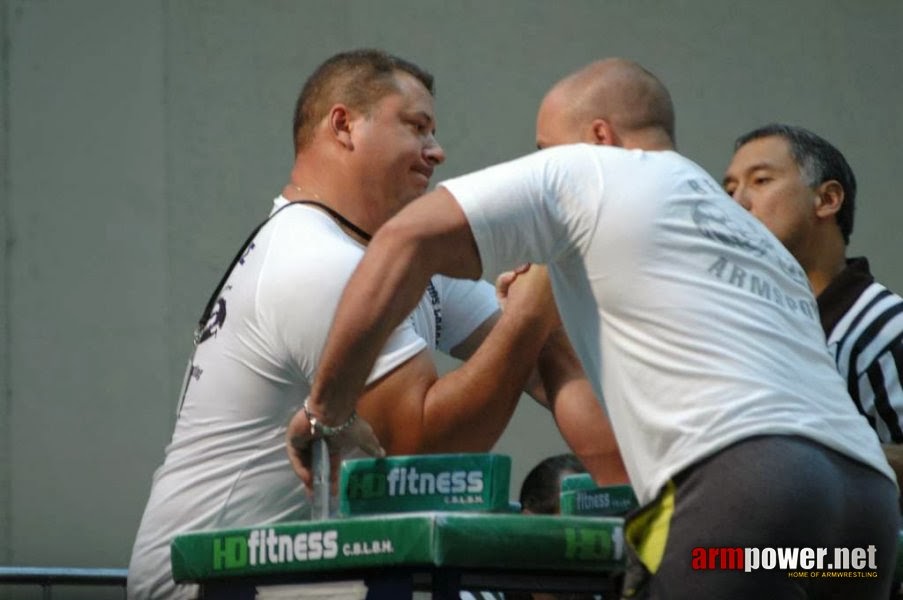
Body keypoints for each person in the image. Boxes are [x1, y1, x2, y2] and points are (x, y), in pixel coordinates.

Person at [289, 58, 900, 599]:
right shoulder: (748, 237)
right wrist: (537, 308)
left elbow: (406, 238)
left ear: (598, 137)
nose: (540, 162)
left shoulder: (591, 172)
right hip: (863, 519)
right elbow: (614, 457)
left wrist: (328, 411)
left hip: (752, 496)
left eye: (543, 147)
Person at [127, 49, 621, 600]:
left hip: (295, 571)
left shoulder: (401, 258)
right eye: (417, 127)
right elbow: (422, 445)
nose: (437, 150)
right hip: (201, 581)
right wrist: (529, 309)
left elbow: (550, 362)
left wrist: (640, 481)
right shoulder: (310, 258)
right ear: (344, 126)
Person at [722, 124, 903, 490]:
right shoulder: (753, 333)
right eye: (729, 189)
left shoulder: (884, 329)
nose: (736, 203)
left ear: (827, 200)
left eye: (760, 181)